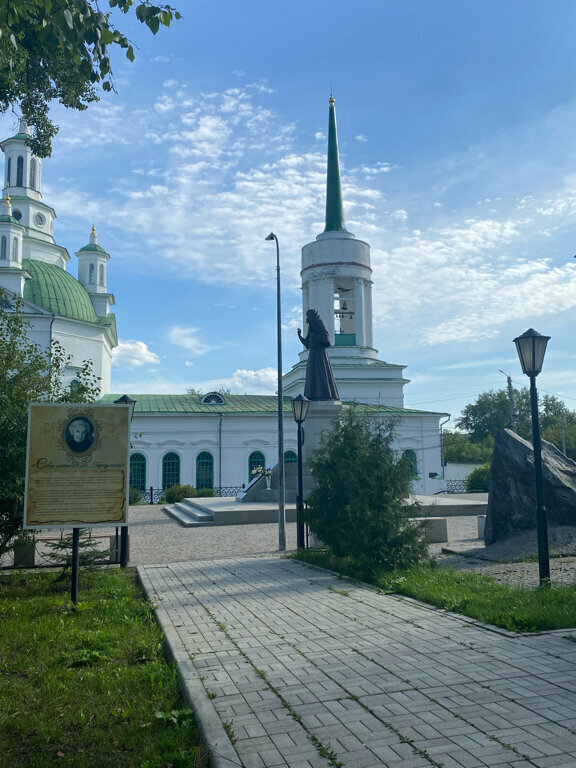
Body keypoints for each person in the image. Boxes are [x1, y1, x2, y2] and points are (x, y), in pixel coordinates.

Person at [297, 309, 339, 400]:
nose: (308, 318)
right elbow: (308, 343)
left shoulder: (319, 323)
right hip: (313, 352)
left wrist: (314, 336)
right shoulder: (312, 325)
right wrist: (299, 336)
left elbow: (325, 338)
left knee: (321, 372)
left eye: (309, 316)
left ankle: (324, 394)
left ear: (313, 316)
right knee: (312, 373)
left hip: (320, 353)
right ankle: (312, 394)